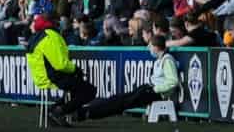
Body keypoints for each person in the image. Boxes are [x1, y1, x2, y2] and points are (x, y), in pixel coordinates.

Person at [27, 15, 155, 125]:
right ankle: (57, 111)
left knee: (76, 86)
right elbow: (60, 64)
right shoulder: (50, 36)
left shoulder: (34, 38)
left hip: (40, 78)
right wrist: (76, 69)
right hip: (53, 77)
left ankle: (55, 109)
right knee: (89, 90)